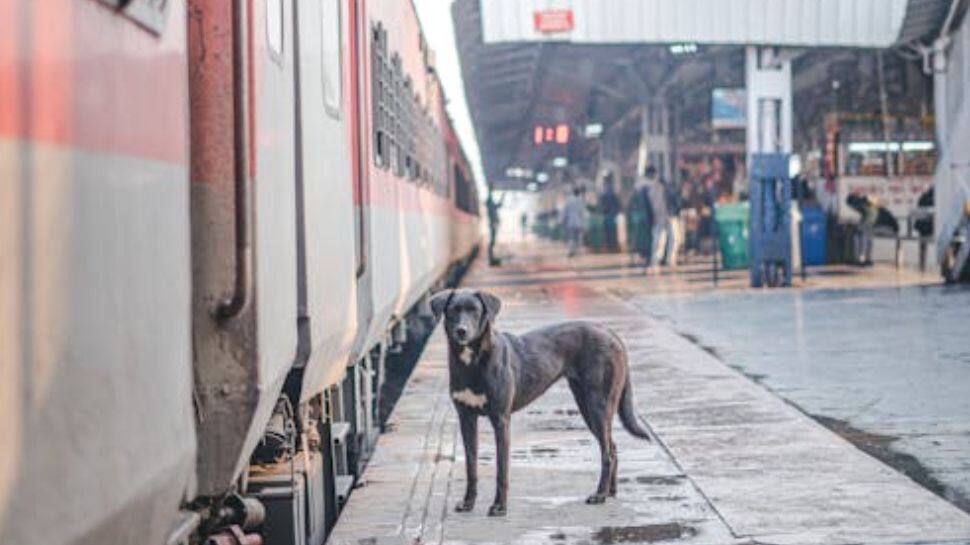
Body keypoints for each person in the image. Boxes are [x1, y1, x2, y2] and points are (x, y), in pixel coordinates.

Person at [627, 169, 654, 270]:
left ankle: (637, 258)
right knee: (645, 239)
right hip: (644, 218)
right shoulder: (649, 186)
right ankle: (645, 257)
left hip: (637, 218)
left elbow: (630, 205)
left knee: (637, 239)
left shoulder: (638, 187)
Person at [646, 166, 669, 271]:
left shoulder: (658, 187)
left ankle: (658, 261)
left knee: (661, 240)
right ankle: (655, 262)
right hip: (658, 218)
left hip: (662, 217)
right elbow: (654, 205)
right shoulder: (651, 188)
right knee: (658, 240)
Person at [563, 186, 588, 257]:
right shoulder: (581, 201)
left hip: (570, 222)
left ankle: (571, 251)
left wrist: (563, 220)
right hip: (579, 222)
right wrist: (585, 223)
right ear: (579, 193)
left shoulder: (569, 200)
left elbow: (565, 211)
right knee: (579, 237)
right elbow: (583, 212)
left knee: (571, 237)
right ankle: (578, 252)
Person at [598, 177, 621, 252]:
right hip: (611, 215)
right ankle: (613, 246)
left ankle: (608, 246)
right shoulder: (612, 192)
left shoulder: (603, 193)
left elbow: (601, 205)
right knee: (613, 232)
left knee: (607, 232)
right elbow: (617, 204)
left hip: (607, 215)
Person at [486, 187, 505, 266]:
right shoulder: (489, 202)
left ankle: (492, 258)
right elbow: (497, 206)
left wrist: (502, 197)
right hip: (493, 223)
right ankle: (491, 259)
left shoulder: (490, 202)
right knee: (492, 242)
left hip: (493, 223)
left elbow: (498, 205)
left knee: (493, 242)